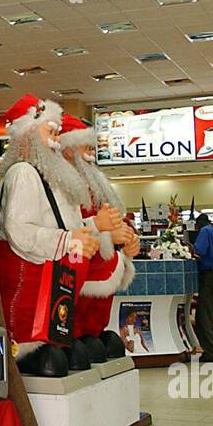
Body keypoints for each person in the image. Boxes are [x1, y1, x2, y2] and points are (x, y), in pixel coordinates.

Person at [0, 95, 114, 373]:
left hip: (49, 280)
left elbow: (64, 223)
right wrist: (68, 240)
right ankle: (26, 349)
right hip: (27, 280)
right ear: (27, 134)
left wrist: (91, 228)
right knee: (39, 343)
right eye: (51, 131)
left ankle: (49, 343)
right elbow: (18, 230)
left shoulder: (47, 175)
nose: (57, 139)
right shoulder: (23, 173)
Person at [58, 114, 139, 337]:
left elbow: (112, 219)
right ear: (68, 149)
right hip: (77, 263)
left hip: (102, 262)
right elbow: (65, 226)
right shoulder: (61, 186)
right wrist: (107, 235)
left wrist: (127, 240)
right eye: (87, 147)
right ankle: (72, 336)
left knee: (96, 310)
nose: (92, 153)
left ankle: (93, 333)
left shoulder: (95, 185)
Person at [191, 215, 213, 362]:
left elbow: (199, 251)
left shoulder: (205, 231)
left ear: (198, 225)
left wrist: (188, 247)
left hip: (209, 277)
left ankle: (210, 353)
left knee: (204, 317)